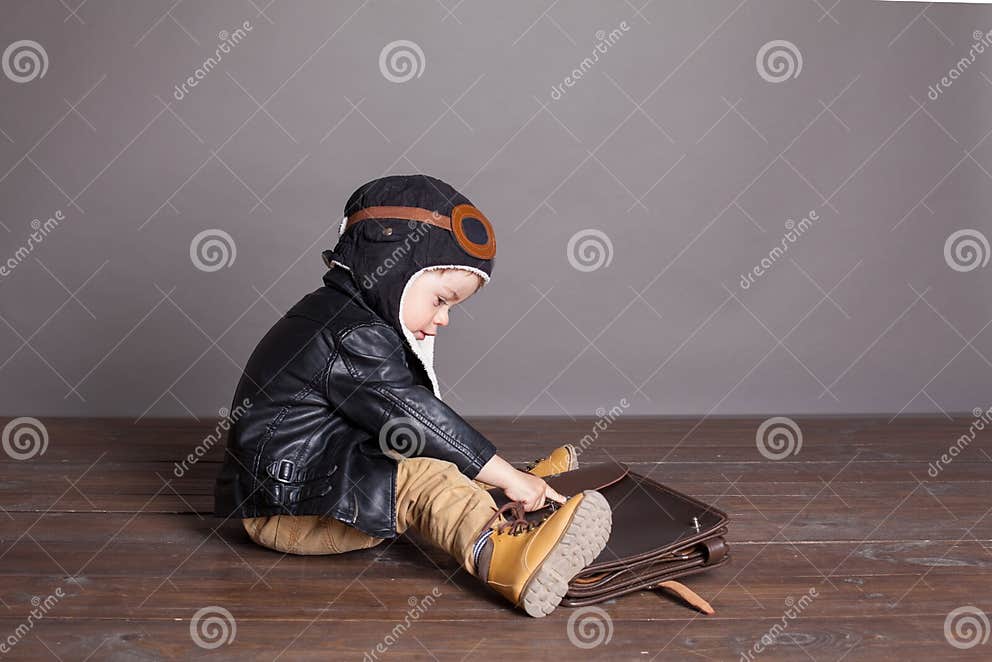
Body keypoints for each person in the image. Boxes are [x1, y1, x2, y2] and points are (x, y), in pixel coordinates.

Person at [213, 174, 612, 617]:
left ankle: (503, 494)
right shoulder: (351, 333)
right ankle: (506, 555)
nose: (444, 319)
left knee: (421, 452)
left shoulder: (345, 315)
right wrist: (505, 475)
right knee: (423, 475)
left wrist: (495, 471)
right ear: (394, 271)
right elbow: (415, 417)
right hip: (288, 512)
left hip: (309, 484)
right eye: (441, 299)